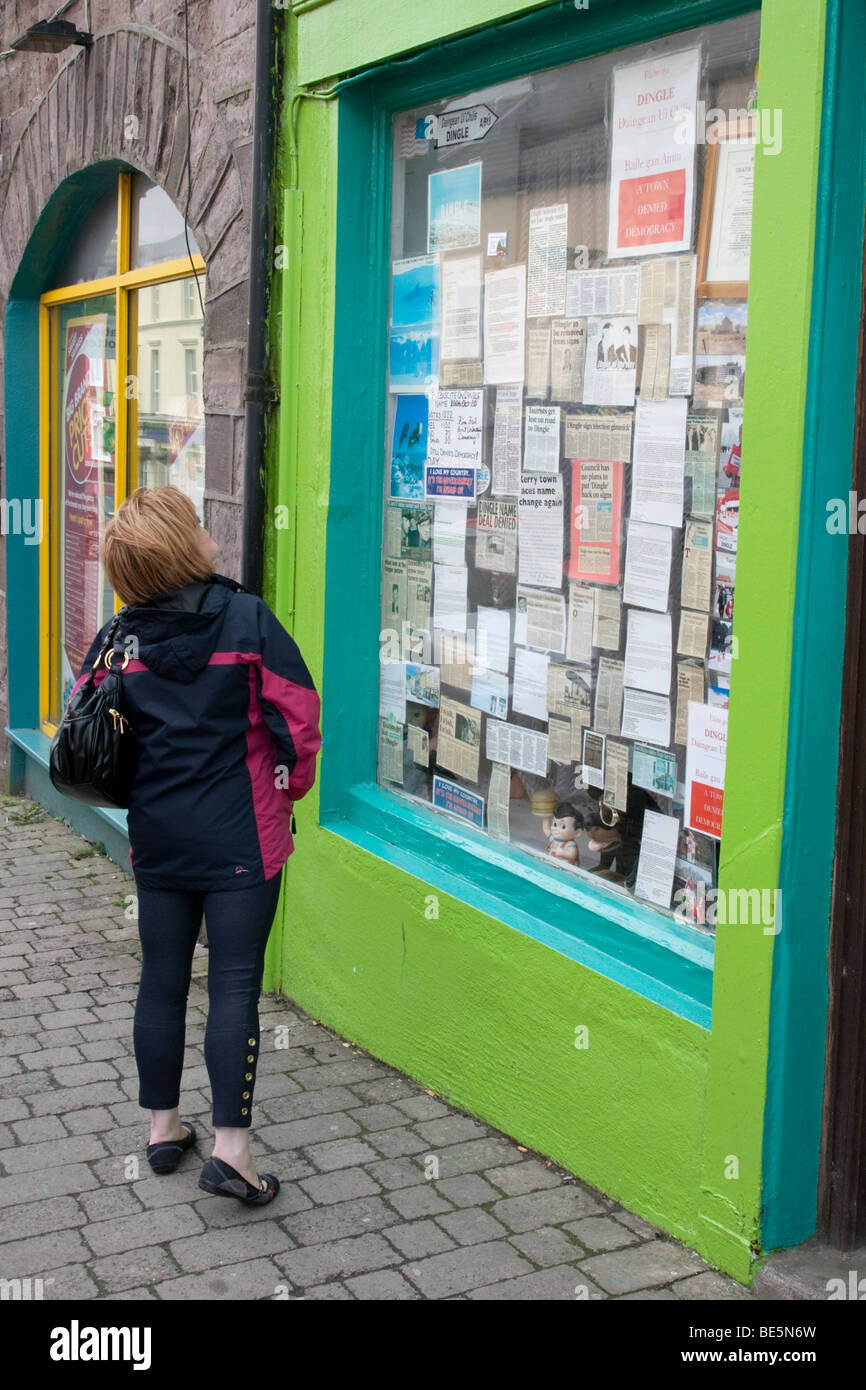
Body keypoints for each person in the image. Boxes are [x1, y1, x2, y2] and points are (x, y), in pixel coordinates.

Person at [70, 486, 322, 1207]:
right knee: (235, 983)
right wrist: (292, 783)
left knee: (162, 977)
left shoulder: (120, 639)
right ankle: (232, 1153)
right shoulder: (246, 619)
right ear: (183, 545)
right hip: (243, 835)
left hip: (157, 834)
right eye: (200, 526)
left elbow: (87, 716)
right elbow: (299, 716)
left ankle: (161, 1130)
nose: (212, 533)